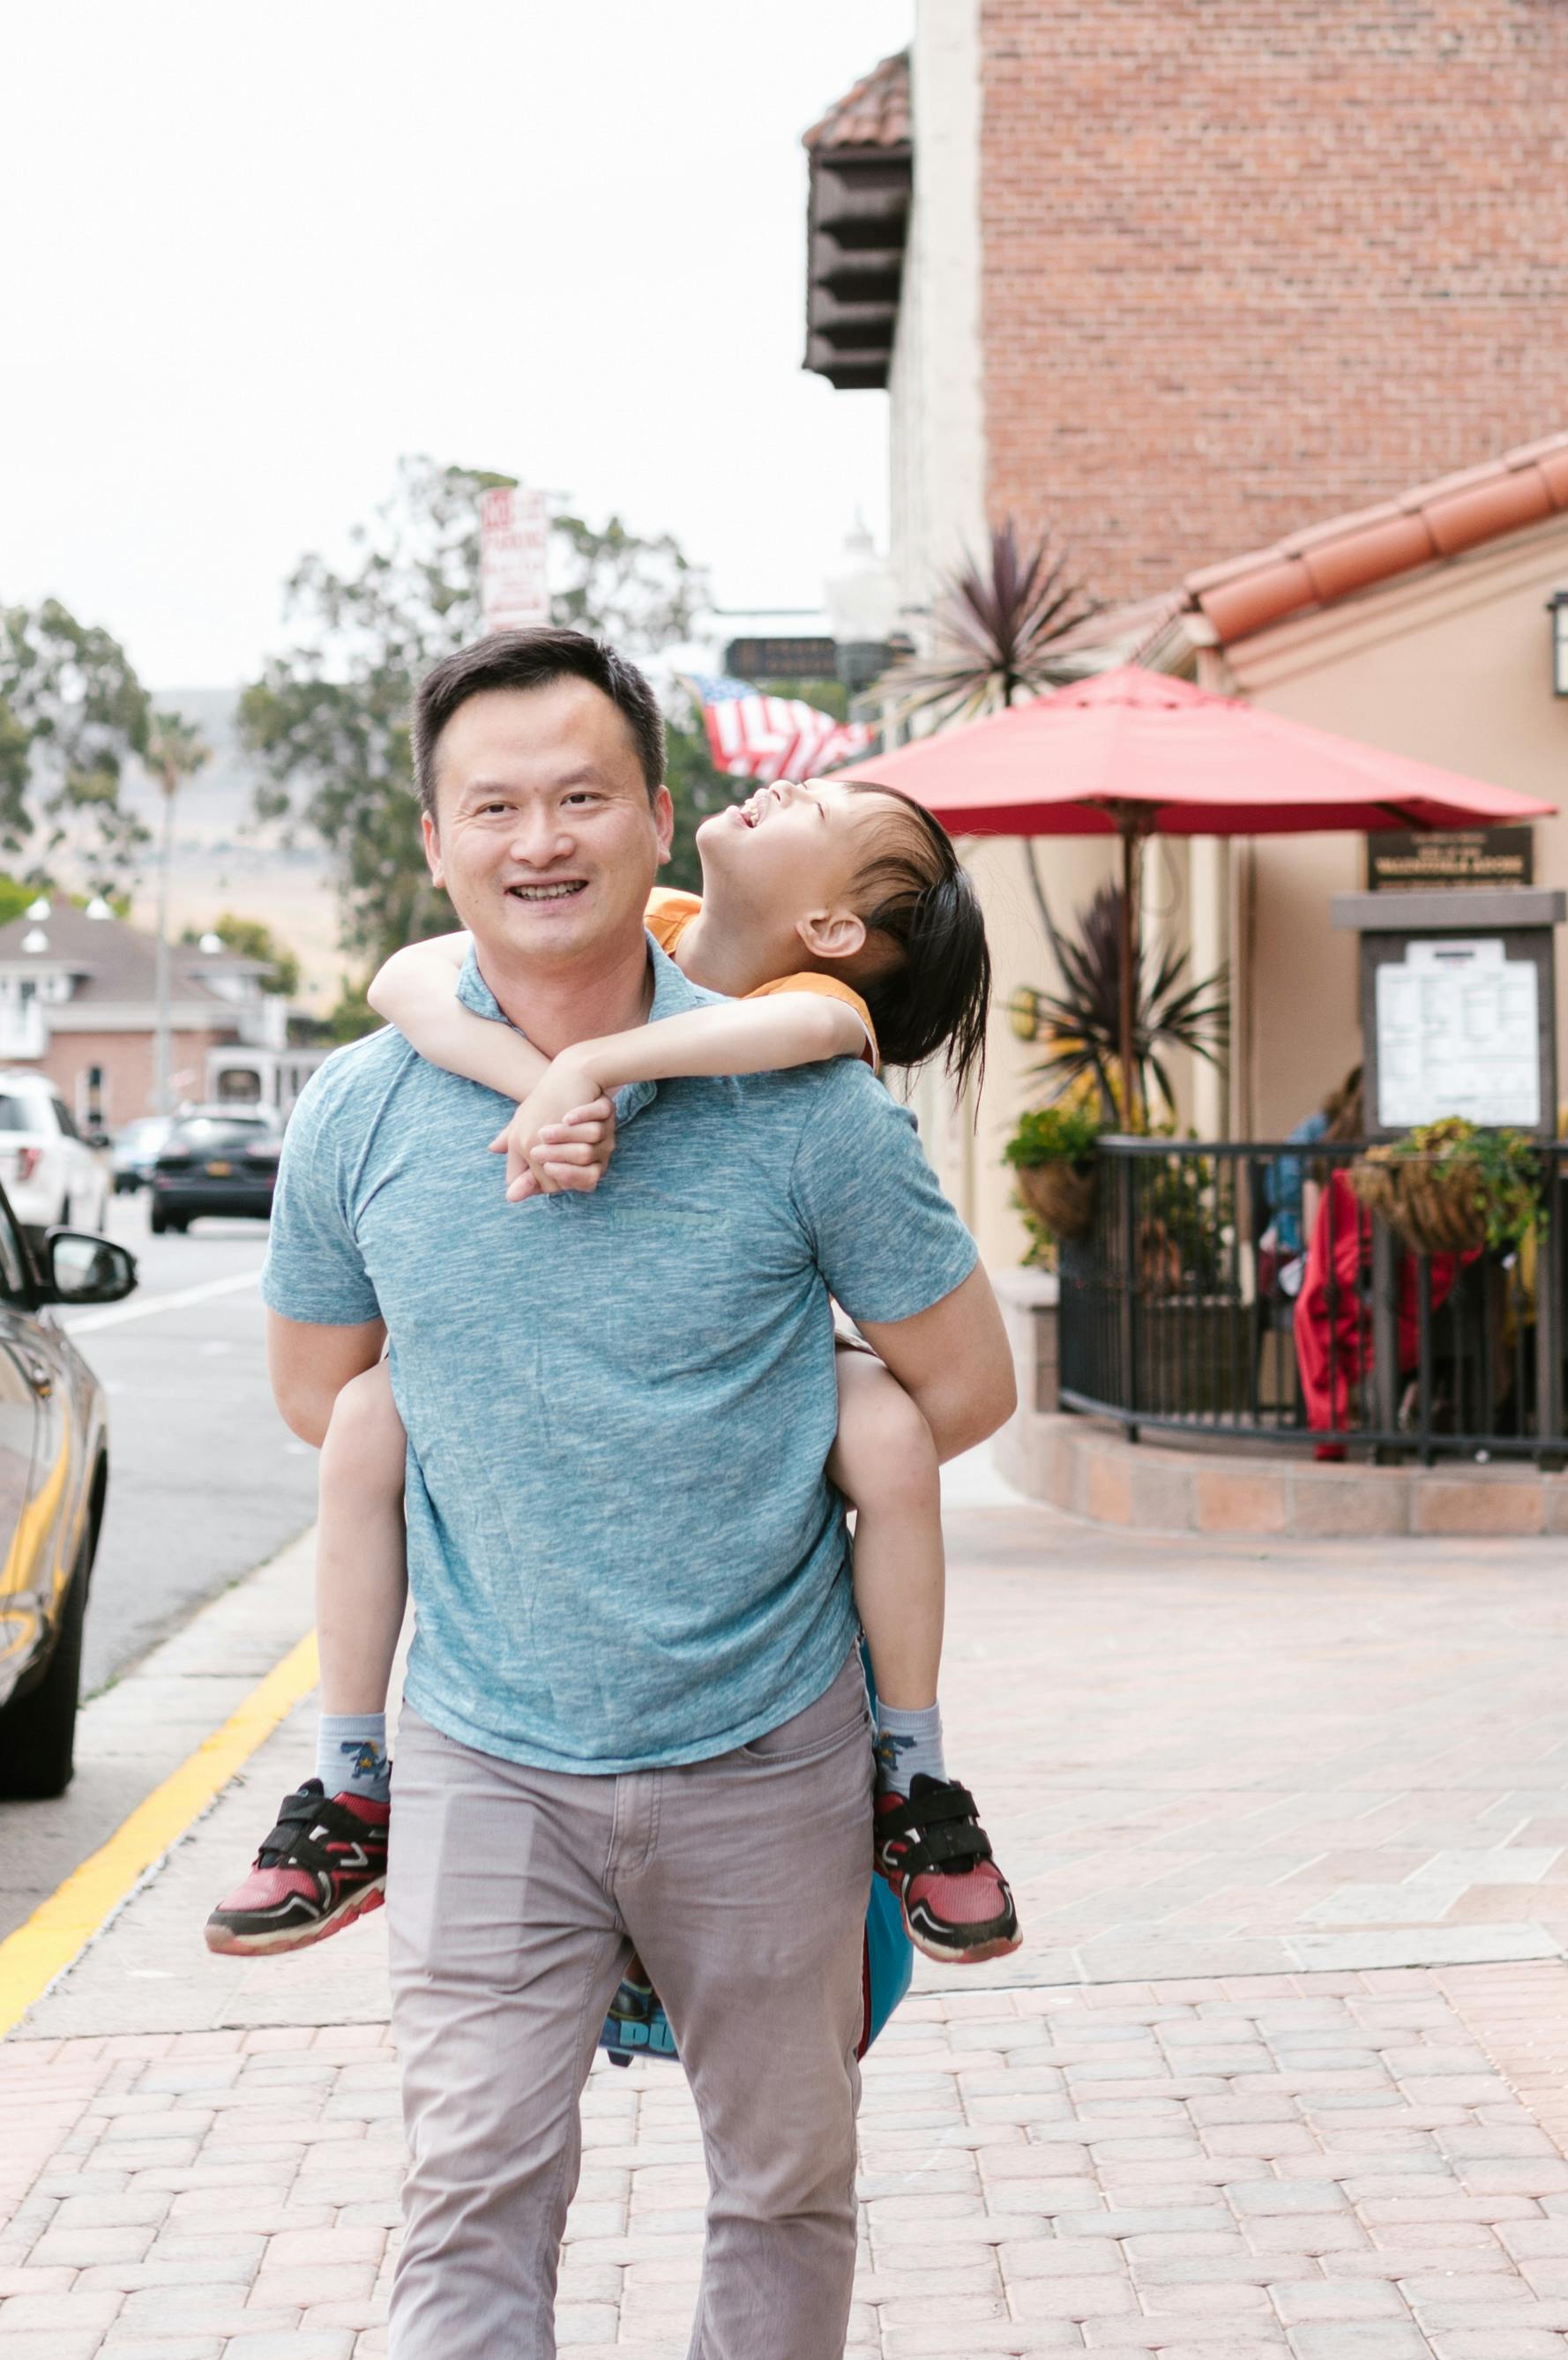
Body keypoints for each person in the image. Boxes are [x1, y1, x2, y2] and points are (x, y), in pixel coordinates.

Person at [260, 624, 1013, 2360]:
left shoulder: (803, 1104)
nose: (538, 837)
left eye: (579, 794)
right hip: (484, 1748)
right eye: (492, 804)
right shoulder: (367, 1106)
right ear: (434, 838)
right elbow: (322, 1398)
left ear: (654, 820)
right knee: (467, 2195)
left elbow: (962, 1388)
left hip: (764, 1737)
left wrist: (799, 1423)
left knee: (780, 2170)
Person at [207, 766, 1017, 1968]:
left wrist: (588, 1071)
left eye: (818, 808)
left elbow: (969, 1388)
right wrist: (535, 1081)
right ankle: (350, 1778)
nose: (781, 784)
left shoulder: (815, 1017)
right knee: (369, 1410)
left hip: (753, 1676)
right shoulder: (659, 924)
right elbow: (404, 978)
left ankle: (913, 1773)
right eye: (492, 808)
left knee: (885, 1427)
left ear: (832, 929)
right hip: (496, 1702)